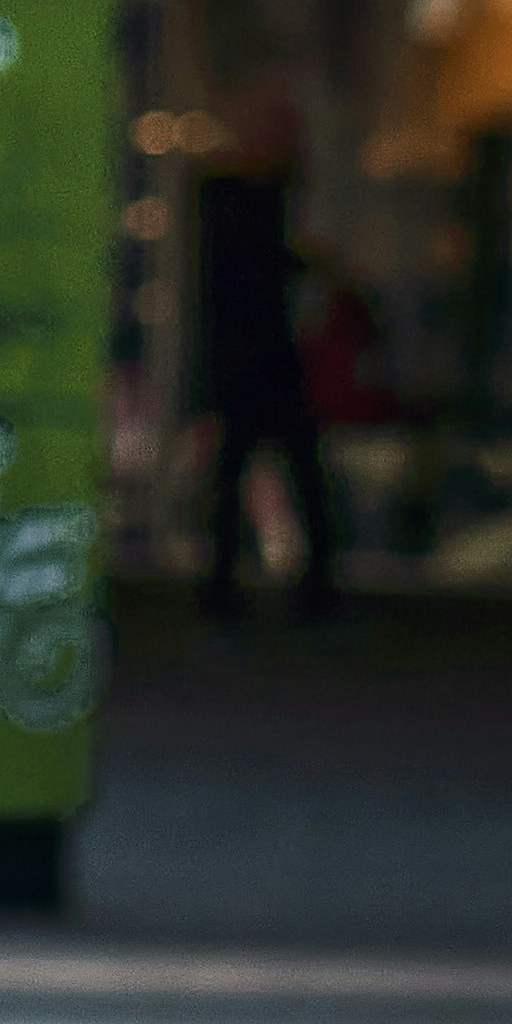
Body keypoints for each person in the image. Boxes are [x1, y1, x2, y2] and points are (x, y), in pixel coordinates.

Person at [194, 76, 340, 625]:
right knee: (262, 474)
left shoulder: (265, 194)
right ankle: (250, 589)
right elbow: (248, 279)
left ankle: (263, 589)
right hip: (250, 360)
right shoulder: (235, 198)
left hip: (264, 358)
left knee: (269, 473)